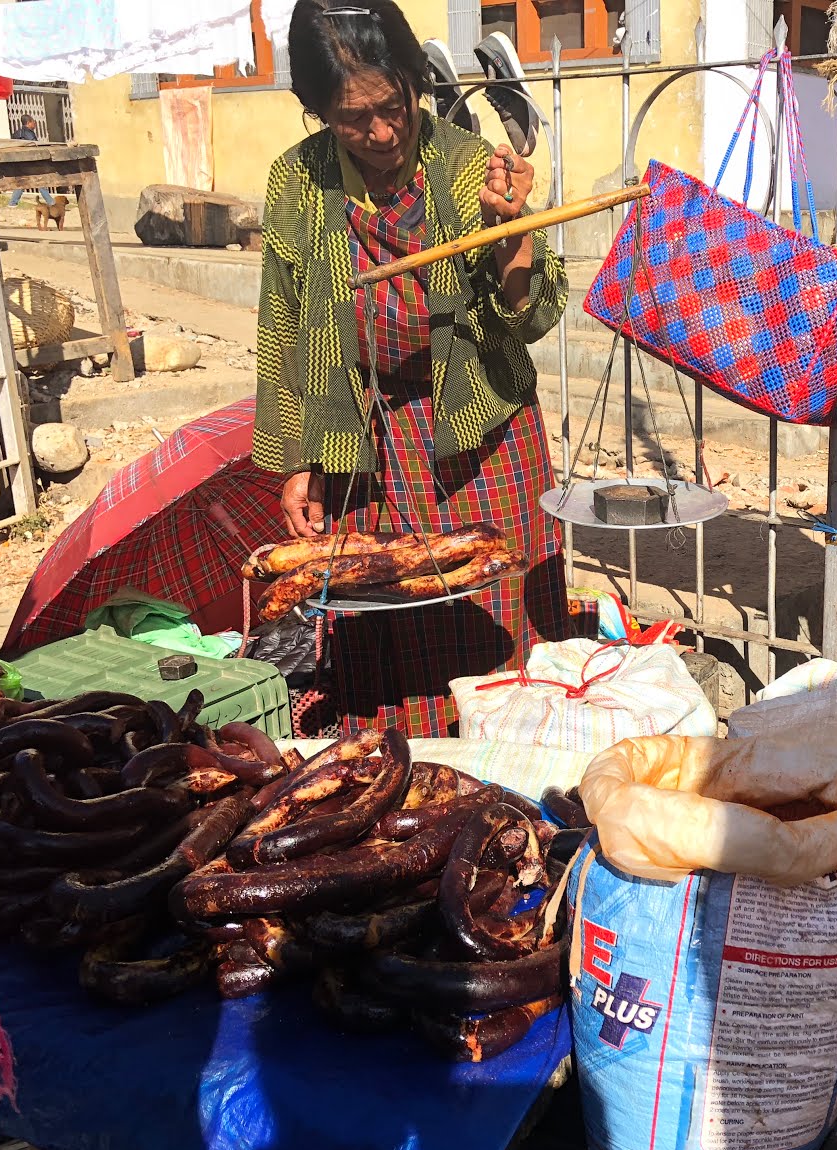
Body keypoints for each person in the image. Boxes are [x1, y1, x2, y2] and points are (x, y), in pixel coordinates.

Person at [253, 0, 570, 736]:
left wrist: (509, 238)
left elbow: (533, 315)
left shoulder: (466, 168)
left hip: (479, 436)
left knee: (496, 633)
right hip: (365, 434)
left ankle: (511, 790)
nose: (382, 132)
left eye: (393, 105)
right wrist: (300, 463)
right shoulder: (297, 183)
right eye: (350, 118)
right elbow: (283, 321)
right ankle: (410, 787)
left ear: (413, 82)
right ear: (316, 111)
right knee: (388, 630)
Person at [7, 115, 53, 208]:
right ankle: (51, 202)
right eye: (33, 122)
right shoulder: (29, 134)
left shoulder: (16, 133)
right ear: (28, 123)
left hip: (19, 162)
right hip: (30, 162)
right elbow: (35, 147)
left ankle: (13, 202)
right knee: (41, 180)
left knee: (22, 182)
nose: (35, 124)